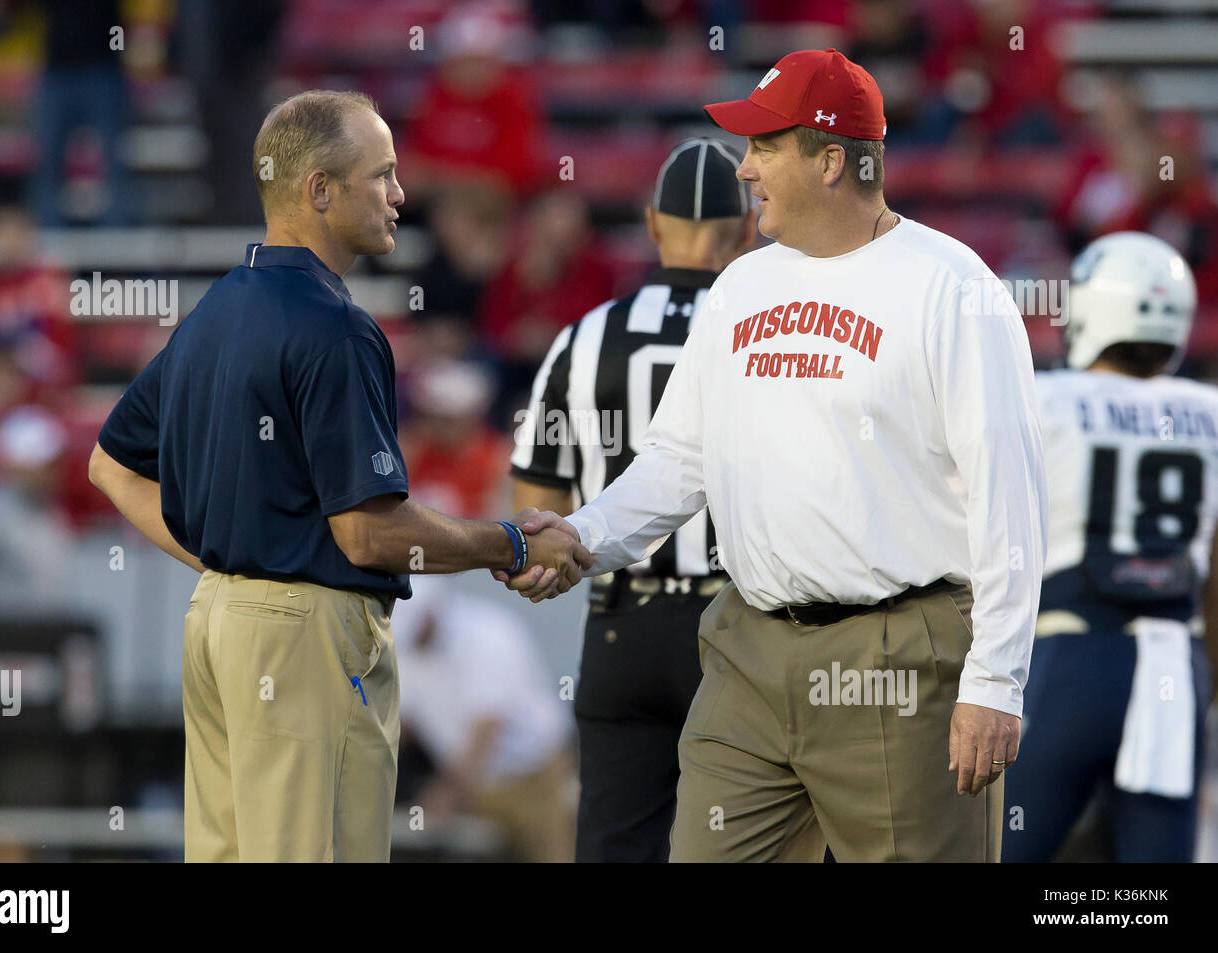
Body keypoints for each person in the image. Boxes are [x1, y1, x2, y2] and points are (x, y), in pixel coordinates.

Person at [500, 49, 1048, 862]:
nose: (744, 169)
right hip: (749, 648)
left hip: (896, 654)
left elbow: (1010, 498)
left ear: (832, 162)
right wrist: (584, 535)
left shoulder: (952, 287)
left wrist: (996, 679)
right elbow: (677, 460)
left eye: (765, 146)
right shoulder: (741, 286)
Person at [89, 90, 589, 863]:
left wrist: (231, 563)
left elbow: (109, 464)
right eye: (381, 174)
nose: (399, 193)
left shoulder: (214, 311)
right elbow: (367, 531)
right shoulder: (336, 325)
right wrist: (512, 544)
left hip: (220, 618)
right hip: (300, 634)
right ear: (320, 189)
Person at [510, 137, 756, 861]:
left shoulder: (582, 338)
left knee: (617, 844)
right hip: (741, 628)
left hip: (623, 625)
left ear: (652, 222)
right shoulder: (768, 335)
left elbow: (537, 512)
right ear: (748, 227)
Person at [1003, 232, 1215, 862]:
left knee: (1002, 850)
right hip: (1175, 666)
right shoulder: (1208, 410)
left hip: (1071, 658)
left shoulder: (1045, 399)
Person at [392, 576, 576, 862]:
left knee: (554, 855)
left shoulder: (488, 633)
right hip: (478, 784)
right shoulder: (410, 647)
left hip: (536, 775)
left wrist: (448, 793)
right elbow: (405, 723)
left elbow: (487, 728)